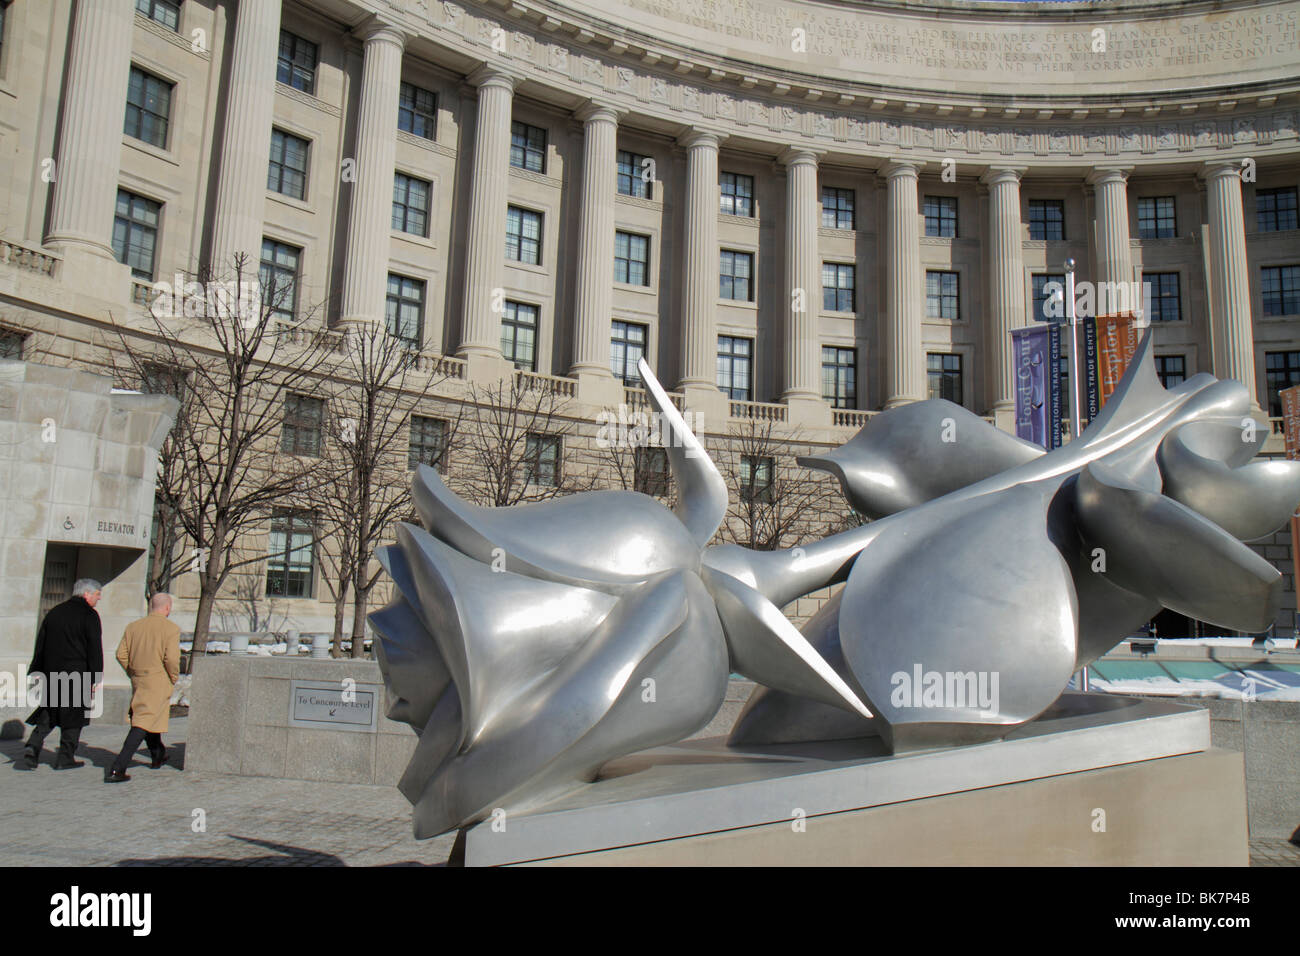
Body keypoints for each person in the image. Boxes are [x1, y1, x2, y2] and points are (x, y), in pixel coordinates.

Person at [22, 578, 104, 770]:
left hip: (52, 671)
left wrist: (37, 669)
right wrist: (95, 677)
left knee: (50, 710)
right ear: (86, 594)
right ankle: (65, 758)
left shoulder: (55, 612)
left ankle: (33, 745)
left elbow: (41, 643)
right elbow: (94, 648)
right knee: (74, 716)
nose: (98, 599)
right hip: (77, 673)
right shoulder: (89, 615)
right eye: (97, 595)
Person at [106, 592, 181, 783]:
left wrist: (132, 671)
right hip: (158, 679)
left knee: (146, 717)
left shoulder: (133, 626)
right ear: (167, 607)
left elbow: (121, 654)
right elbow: (172, 659)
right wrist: (173, 677)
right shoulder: (170, 629)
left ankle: (157, 754)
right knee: (143, 722)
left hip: (138, 678)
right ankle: (118, 767)